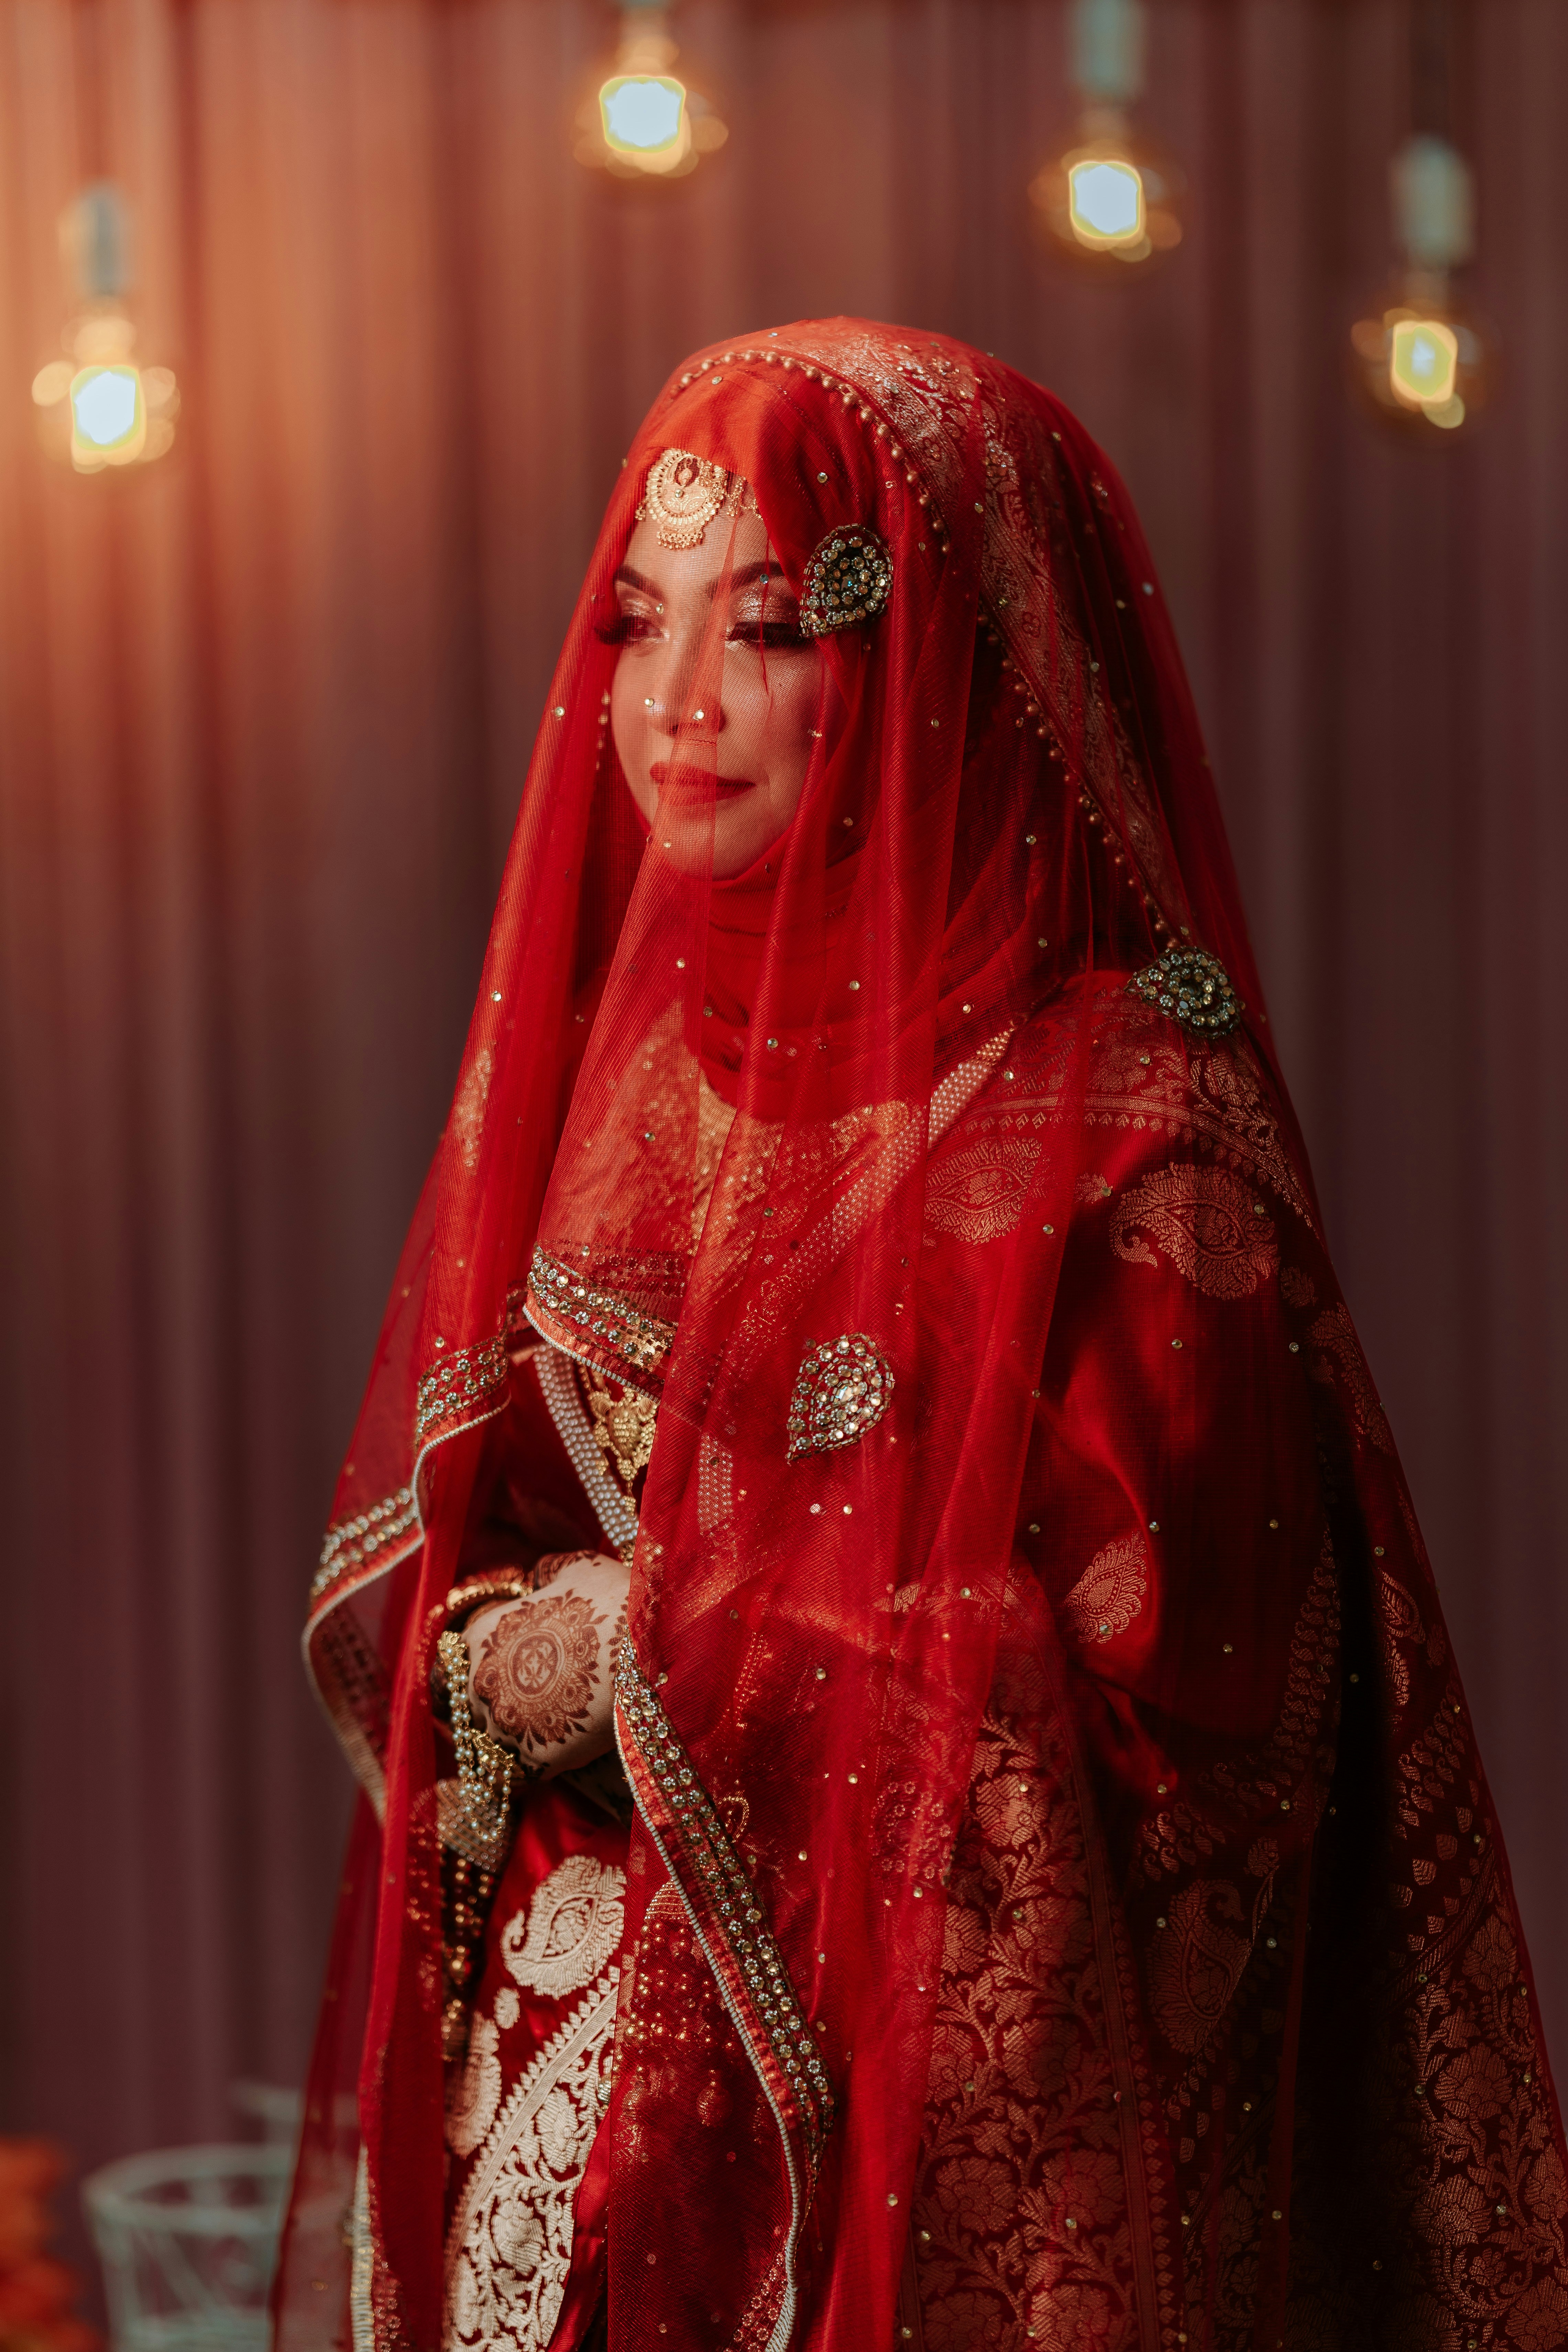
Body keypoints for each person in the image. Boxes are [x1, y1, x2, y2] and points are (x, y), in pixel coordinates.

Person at [274, 321, 1568, 2352]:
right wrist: (527, 1658)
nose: (676, 703)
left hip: (923, 2221)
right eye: (639, 618)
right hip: (576, 2174)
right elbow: (471, 1583)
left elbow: (1168, 1746)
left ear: (953, 664)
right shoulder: (634, 1090)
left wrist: (617, 1650)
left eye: (774, 626)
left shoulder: (1137, 1149)